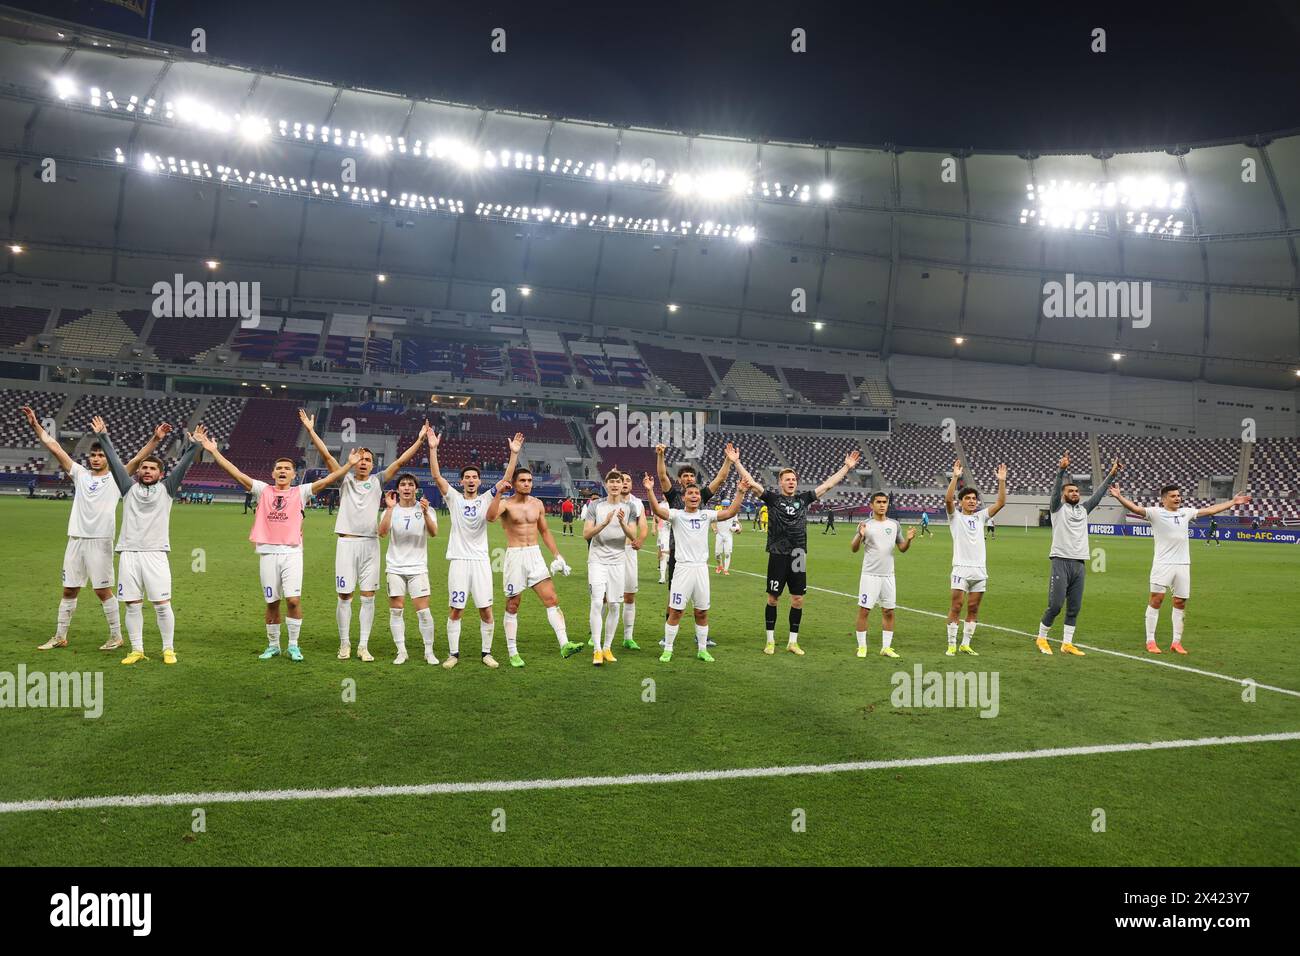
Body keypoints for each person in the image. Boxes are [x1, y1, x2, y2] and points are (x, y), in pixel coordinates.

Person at [194, 432, 355, 661]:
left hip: (292, 554)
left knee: (293, 600)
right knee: (272, 602)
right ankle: (272, 645)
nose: (282, 471)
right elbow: (236, 473)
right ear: (273, 473)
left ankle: (293, 645)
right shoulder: (263, 490)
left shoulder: (300, 492)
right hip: (268, 553)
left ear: (293, 474)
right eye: (278, 468)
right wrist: (214, 452)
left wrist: (348, 464)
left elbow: (328, 481)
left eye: (287, 469)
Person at [23, 407, 167, 652]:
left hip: (100, 540)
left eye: (101, 454)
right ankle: (60, 635)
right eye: (94, 455)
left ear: (106, 458)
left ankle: (116, 636)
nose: (97, 458)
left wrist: (155, 439)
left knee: (102, 590)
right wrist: (36, 425)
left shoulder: (116, 477)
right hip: (76, 538)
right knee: (69, 588)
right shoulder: (79, 474)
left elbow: (136, 460)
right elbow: (55, 447)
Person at [299, 409, 430, 662]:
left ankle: (363, 646)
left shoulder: (379, 480)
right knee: (345, 596)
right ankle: (345, 643)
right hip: (346, 543)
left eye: (367, 459)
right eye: (359, 458)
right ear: (353, 461)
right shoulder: (344, 480)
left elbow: (400, 462)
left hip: (371, 544)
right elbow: (326, 456)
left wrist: (420, 440)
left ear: (372, 464)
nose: (363, 462)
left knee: (368, 597)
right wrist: (311, 430)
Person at [725, 443, 860, 655]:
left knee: (798, 599)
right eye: (787, 479)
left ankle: (792, 642)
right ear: (780, 483)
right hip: (778, 554)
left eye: (794, 479)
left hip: (798, 554)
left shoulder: (803, 499)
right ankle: (770, 641)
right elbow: (751, 483)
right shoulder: (772, 499)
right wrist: (736, 462)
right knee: (773, 598)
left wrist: (846, 468)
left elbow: (826, 486)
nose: (791, 482)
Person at [97, 418, 204, 665]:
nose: (147, 471)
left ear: (161, 473)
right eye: (144, 468)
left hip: (155, 554)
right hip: (129, 554)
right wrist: (104, 436)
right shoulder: (127, 488)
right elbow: (114, 463)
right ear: (138, 472)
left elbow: (183, 466)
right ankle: (137, 650)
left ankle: (168, 649)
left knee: (162, 604)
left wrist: (194, 446)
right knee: (132, 605)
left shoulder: (168, 488)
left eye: (152, 469)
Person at [1108, 482, 1251, 654]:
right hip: (1162, 564)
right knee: (1156, 600)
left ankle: (1176, 642)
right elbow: (1136, 509)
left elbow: (1211, 510)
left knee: (1180, 602)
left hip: (1183, 564)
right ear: (1164, 499)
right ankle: (1150, 641)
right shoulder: (1155, 513)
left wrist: (1233, 502)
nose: (1178, 498)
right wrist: (1119, 497)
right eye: (1173, 496)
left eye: (1178, 495)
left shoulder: (1186, 512)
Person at [427, 429, 521, 668]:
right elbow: (437, 477)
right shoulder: (454, 499)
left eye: (474, 477)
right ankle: (453, 655)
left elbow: (505, 481)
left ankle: (486, 653)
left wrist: (513, 455)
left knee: (486, 610)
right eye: (466, 477)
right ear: (461, 481)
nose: (470, 480)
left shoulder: (486, 498)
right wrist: (433, 448)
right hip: (459, 560)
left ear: (479, 481)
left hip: (480, 562)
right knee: (456, 610)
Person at [643, 473, 748, 662]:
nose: (694, 496)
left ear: (700, 498)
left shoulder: (706, 515)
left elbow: (730, 513)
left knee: (701, 611)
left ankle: (702, 649)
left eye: (697, 494)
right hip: (682, 569)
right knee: (676, 611)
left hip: (701, 569)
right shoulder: (677, 515)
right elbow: (658, 511)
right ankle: (668, 649)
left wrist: (740, 492)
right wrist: (650, 490)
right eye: (690, 493)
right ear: (683, 497)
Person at [486, 467, 583, 666]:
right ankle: (513, 652)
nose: (527, 483)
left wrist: (558, 556)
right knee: (513, 604)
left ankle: (564, 644)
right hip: (515, 556)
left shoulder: (537, 504)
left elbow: (545, 531)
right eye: (522, 480)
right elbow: (490, 517)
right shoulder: (506, 504)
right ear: (514, 483)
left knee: (552, 599)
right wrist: (498, 494)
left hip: (535, 555)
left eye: (529, 480)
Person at [1035, 454, 1120, 656]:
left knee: (1074, 607)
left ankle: (1067, 643)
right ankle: (1041, 638)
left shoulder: (1083, 510)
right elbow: (1055, 492)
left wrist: (1111, 475)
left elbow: (1098, 495)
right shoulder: (1057, 509)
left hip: (1079, 564)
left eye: (1076, 491)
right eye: (1070, 491)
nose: (1075, 493)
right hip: (1060, 561)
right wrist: (1061, 471)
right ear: (1064, 495)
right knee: (1055, 605)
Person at [943, 460, 1007, 657]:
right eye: (968, 498)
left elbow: (1001, 503)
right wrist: (955, 477)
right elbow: (947, 501)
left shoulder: (980, 517)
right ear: (960, 502)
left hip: (979, 570)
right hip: (961, 568)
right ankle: (952, 644)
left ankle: (966, 643)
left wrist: (1002, 482)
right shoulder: (955, 518)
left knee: (973, 608)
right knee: (956, 605)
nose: (972, 501)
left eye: (974, 499)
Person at [378, 478, 439, 664]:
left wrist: (426, 513)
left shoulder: (425, 509)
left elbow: (434, 533)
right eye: (403, 484)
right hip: (395, 567)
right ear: (398, 489)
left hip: (418, 567)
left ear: (416, 489)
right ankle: (401, 651)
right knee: (396, 611)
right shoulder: (391, 510)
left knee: (424, 612)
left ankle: (429, 651)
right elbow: (381, 533)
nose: (407, 487)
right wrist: (389, 509)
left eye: (410, 485)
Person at [583, 470, 640, 664]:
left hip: (618, 561)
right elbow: (586, 534)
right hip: (597, 560)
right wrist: (605, 522)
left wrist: (623, 523)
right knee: (598, 602)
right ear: (606, 485)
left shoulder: (630, 506)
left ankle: (607, 648)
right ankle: (597, 650)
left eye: (619, 481)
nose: (615, 485)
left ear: (622, 484)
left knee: (615, 605)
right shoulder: (595, 506)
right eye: (612, 482)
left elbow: (634, 537)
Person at [851, 492, 916, 658]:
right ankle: (862, 646)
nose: (882, 505)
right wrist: (860, 535)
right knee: (864, 610)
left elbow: (902, 548)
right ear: (871, 505)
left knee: (889, 611)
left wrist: (908, 540)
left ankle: (886, 647)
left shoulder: (894, 525)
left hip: (888, 575)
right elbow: (853, 548)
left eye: (884, 502)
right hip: (870, 575)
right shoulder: (865, 524)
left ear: (887, 504)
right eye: (878, 502)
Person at [713, 501, 741, 574]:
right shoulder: (718, 513)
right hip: (719, 535)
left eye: (727, 506)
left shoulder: (733, 514)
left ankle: (726, 569)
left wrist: (738, 529)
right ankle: (719, 566)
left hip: (728, 535)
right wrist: (714, 529)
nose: (725, 508)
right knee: (717, 554)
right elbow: (713, 522)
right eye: (723, 506)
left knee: (727, 553)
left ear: (729, 506)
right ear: (721, 506)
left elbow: (736, 523)